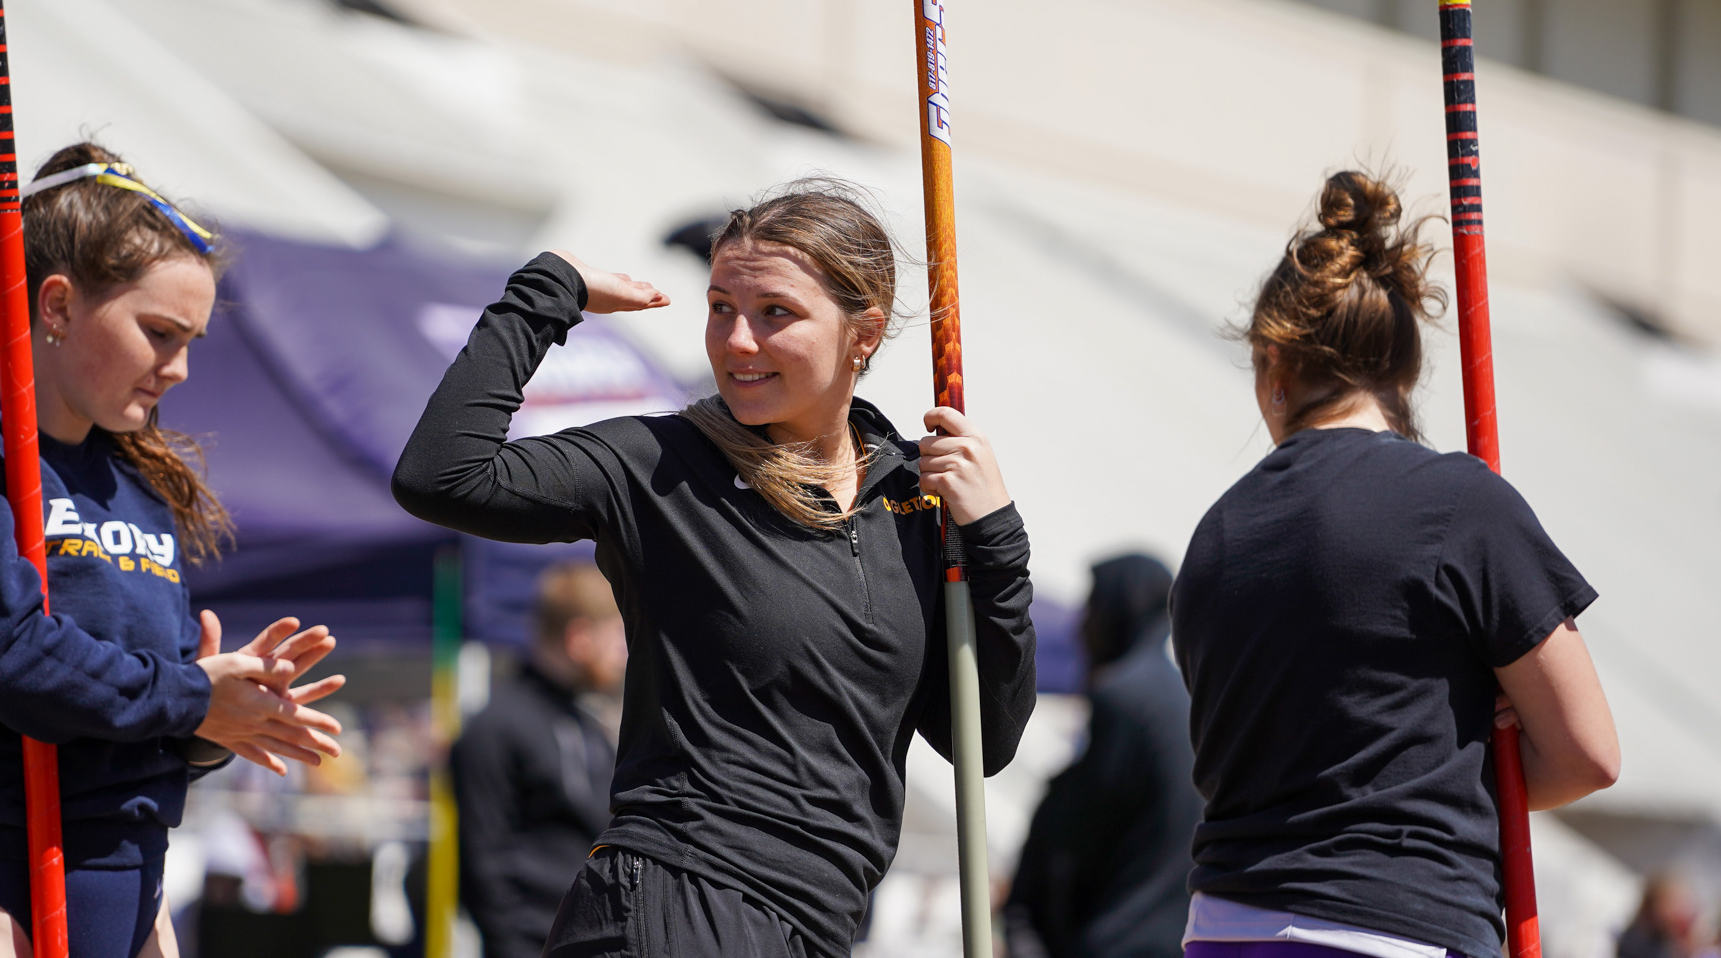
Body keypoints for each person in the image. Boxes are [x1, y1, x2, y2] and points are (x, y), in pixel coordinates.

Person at [391, 186, 1037, 957]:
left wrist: (996, 538)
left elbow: (982, 742)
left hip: (816, 926)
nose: (736, 341)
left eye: (775, 313)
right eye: (721, 306)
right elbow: (440, 475)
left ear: (861, 333)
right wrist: (545, 293)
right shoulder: (658, 464)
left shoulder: (919, 498)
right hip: (674, 900)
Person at [0, 143, 347, 958]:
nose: (178, 369)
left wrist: (223, 717)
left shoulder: (137, 486)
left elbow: (140, 710)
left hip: (131, 889)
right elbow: (5, 658)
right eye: (160, 333)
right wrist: (188, 697)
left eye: (192, 341)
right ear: (59, 306)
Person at [1172, 171, 1621, 958]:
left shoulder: (1216, 535)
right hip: (1399, 922)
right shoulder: (1460, 504)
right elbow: (1588, 752)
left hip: (1224, 926)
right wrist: (1467, 749)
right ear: (1404, 371)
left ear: (1274, 367)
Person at [1003, 553, 1202, 958]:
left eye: (1093, 605)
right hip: (1174, 934)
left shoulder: (1124, 695)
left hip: (1119, 935)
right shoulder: (1181, 696)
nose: (1082, 625)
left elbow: (1079, 833)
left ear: (1119, 609)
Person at [453, 562, 626, 958]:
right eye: (617, 634)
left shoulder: (586, 722)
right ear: (579, 637)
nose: (623, 652)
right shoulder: (495, 728)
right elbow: (483, 867)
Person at [1617, 875, 1701, 958]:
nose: (1682, 910)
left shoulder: (1667, 939)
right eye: (1675, 902)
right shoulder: (1638, 939)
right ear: (1657, 904)